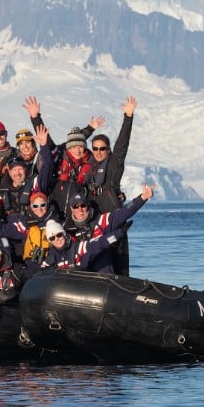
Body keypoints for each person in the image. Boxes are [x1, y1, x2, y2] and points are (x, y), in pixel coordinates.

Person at [86, 96, 136, 275]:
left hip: (113, 220)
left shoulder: (114, 165)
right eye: (95, 149)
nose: (99, 152)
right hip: (95, 222)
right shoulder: (88, 168)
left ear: (108, 150)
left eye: (102, 148)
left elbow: (122, 143)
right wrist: (89, 129)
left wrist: (128, 117)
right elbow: (73, 145)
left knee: (119, 260)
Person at [62, 185, 153, 273]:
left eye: (83, 205)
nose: (80, 210)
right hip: (78, 273)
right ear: (71, 209)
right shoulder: (66, 229)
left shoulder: (101, 221)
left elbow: (124, 212)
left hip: (103, 274)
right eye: (76, 206)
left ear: (88, 206)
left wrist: (142, 198)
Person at [18, 193, 64, 263]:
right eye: (35, 206)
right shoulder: (28, 224)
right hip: (32, 262)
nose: (39, 209)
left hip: (52, 262)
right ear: (31, 207)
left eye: (43, 205)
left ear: (47, 205)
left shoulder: (55, 223)